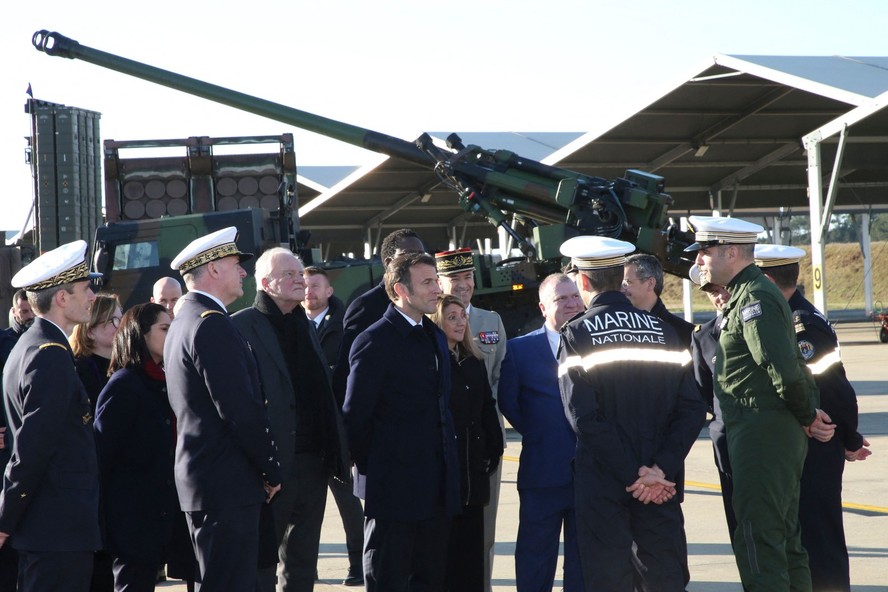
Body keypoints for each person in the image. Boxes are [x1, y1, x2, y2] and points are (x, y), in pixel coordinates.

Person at [687, 216, 835, 592]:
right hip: (762, 427)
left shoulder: (754, 297)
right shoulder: (747, 293)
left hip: (761, 429)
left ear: (731, 252)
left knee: (759, 535)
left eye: (704, 252)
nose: (699, 261)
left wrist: (806, 415)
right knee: (783, 536)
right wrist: (806, 413)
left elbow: (782, 367)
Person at [557, 235, 706, 591]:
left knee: (608, 577)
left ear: (584, 281)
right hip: (660, 484)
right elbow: (692, 409)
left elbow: (583, 417)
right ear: (619, 278)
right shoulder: (668, 333)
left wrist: (631, 474)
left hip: (604, 482)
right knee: (664, 575)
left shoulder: (577, 334)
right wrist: (658, 471)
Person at [163, 226, 282, 592]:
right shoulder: (211, 325)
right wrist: (270, 468)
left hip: (211, 481)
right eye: (235, 263)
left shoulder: (187, 320)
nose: (243, 272)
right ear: (213, 270)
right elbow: (238, 410)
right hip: (225, 483)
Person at [755, 243, 871, 592]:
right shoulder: (788, 316)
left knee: (818, 538)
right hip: (801, 442)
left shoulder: (800, 324)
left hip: (816, 443)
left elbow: (833, 388)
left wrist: (848, 439)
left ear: (767, 280)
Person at [342, 252, 460, 592]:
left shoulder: (433, 336)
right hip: (393, 489)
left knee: (430, 578)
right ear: (400, 289)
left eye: (436, 280)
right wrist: (380, 469)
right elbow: (356, 416)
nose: (437, 288)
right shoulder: (374, 341)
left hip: (435, 488)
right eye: (427, 282)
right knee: (388, 577)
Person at [232, 248, 348, 592]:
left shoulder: (304, 324)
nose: (301, 281)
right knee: (263, 561)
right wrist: (261, 467)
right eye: (290, 275)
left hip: (314, 462)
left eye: (301, 274)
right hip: (272, 468)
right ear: (266, 283)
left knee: (302, 562)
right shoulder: (241, 327)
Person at [0, 239, 102, 592]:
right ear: (62, 297)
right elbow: (32, 447)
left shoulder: (35, 345)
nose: (92, 296)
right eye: (86, 288)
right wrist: (5, 516)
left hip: (51, 527)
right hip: (57, 527)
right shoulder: (49, 354)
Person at [94, 303, 195, 592]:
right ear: (141, 334)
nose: (173, 333)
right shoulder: (124, 385)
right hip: (133, 521)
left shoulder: (169, 379)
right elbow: (102, 456)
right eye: (165, 328)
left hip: (167, 513)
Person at [497, 273, 585, 592]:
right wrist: (544, 432)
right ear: (543, 307)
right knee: (535, 557)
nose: (572, 304)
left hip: (590, 474)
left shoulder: (598, 345)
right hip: (542, 472)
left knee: (583, 560)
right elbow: (511, 404)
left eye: (575, 296)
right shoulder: (519, 351)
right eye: (562, 299)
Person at [435, 247, 507, 592]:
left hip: (483, 444)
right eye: (454, 278)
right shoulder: (431, 322)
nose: (462, 285)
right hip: (446, 445)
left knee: (485, 530)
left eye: (467, 277)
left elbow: (499, 383)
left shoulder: (491, 322)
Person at [301, 265, 364, 587]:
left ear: (329, 291)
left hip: (337, 430)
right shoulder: (292, 326)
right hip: (306, 434)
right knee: (305, 510)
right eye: (304, 285)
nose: (308, 291)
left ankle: (357, 564)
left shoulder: (344, 327)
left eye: (315, 285)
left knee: (350, 505)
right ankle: (303, 568)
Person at [687, 265, 740, 551]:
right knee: (736, 520)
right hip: (725, 441)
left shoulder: (756, 324)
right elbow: (704, 393)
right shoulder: (703, 337)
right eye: (712, 292)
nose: (719, 297)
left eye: (722, 289)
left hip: (760, 440)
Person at [622, 253, 693, 346]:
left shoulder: (685, 333)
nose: (622, 289)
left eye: (627, 282)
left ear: (650, 283)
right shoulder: (619, 325)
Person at [70, 293, 122, 416]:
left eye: (121, 320)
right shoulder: (79, 370)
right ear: (90, 331)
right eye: (113, 320)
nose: (120, 326)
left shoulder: (126, 364)